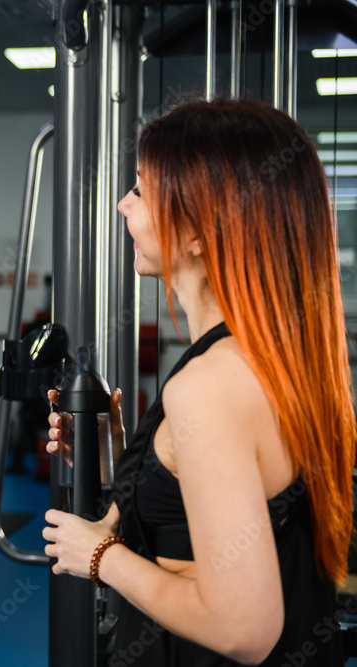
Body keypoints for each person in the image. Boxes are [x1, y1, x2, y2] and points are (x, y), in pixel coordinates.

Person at [43, 98, 355, 665]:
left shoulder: (210, 385)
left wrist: (99, 555)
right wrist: (126, 462)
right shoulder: (266, 356)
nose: (122, 205)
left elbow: (243, 627)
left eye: (140, 191)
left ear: (196, 232)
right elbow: (201, 521)